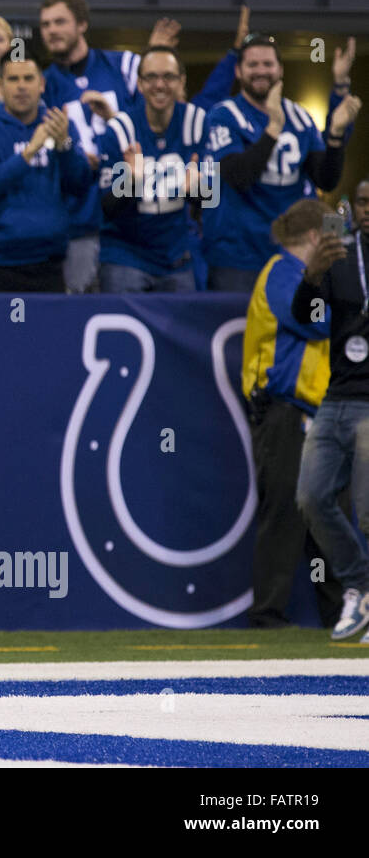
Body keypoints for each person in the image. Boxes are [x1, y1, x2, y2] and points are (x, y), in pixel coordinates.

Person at [242, 198, 345, 628]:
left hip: (316, 410)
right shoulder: (282, 271)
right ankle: (268, 613)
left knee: (324, 510)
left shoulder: (299, 274)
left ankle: (337, 610)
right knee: (284, 508)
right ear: (313, 237)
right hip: (285, 408)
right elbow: (313, 321)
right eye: (331, 236)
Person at [39, 0, 182, 294]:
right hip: (78, 221)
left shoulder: (125, 65)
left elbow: (159, 124)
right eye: (45, 24)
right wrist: (72, 154)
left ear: (82, 24)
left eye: (60, 21)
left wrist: (113, 120)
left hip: (134, 221)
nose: (51, 30)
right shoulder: (41, 85)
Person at [204, 34, 360, 292]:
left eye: (268, 64)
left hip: (291, 253)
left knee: (290, 327)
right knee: (236, 331)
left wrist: (334, 136)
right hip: (237, 257)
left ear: (280, 69)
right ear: (238, 71)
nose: (261, 71)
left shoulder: (299, 116)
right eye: (253, 65)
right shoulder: (224, 115)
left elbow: (326, 180)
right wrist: (273, 127)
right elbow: (239, 177)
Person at [292, 179, 369, 641]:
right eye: (361, 201)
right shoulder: (337, 253)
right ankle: (359, 586)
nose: (367, 209)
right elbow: (307, 316)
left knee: (366, 510)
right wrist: (310, 276)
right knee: (311, 497)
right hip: (337, 396)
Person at [0, 48, 92, 292]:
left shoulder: (59, 125)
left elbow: (80, 185)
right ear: (0, 85)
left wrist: (64, 145)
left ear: (41, 84)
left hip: (50, 261)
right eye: (13, 79)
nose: (21, 86)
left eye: (28, 78)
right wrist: (28, 152)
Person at [95, 46, 207, 292]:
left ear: (181, 81)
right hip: (126, 255)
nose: (159, 84)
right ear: (140, 83)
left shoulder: (198, 122)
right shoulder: (120, 129)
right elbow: (105, 209)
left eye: (168, 76)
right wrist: (131, 182)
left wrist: (196, 190)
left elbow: (212, 201)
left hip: (176, 256)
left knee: (181, 330)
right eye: (151, 77)